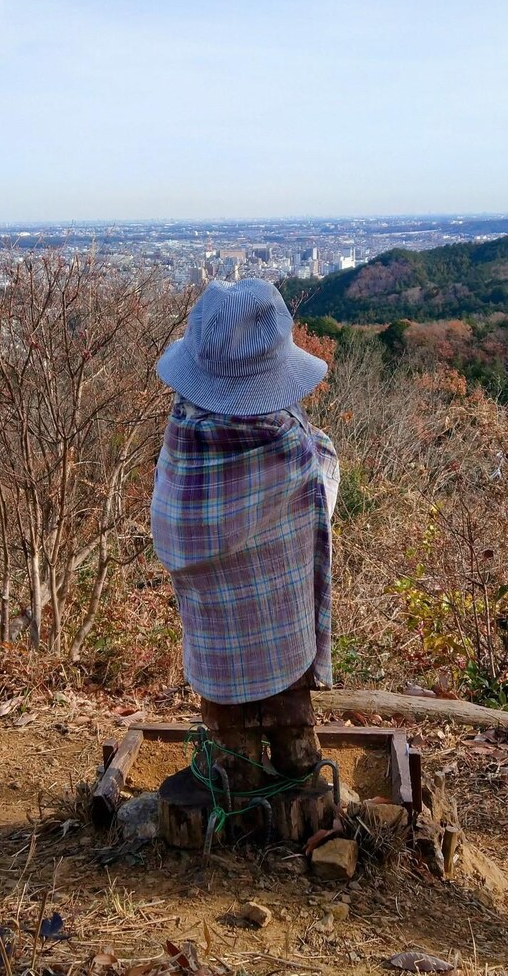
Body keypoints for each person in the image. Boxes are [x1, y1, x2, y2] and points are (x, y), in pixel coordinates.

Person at [150, 278, 340, 792]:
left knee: (228, 741)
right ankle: (296, 771)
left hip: (216, 642)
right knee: (295, 738)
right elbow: (317, 497)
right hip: (282, 630)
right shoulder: (293, 446)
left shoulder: (183, 434)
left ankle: (234, 774)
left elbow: (172, 524)